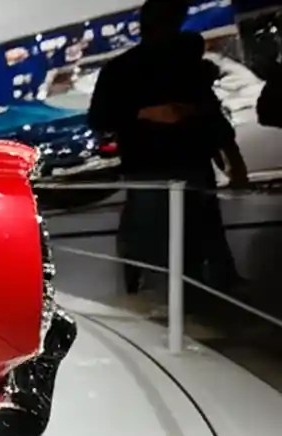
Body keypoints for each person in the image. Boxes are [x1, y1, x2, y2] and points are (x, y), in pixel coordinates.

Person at [88, 0, 247, 293]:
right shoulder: (124, 69)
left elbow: (207, 108)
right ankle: (179, 285)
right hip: (151, 163)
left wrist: (230, 153)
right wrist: (146, 113)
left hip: (179, 159)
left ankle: (208, 282)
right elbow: (99, 117)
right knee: (162, 227)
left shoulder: (178, 63)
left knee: (201, 224)